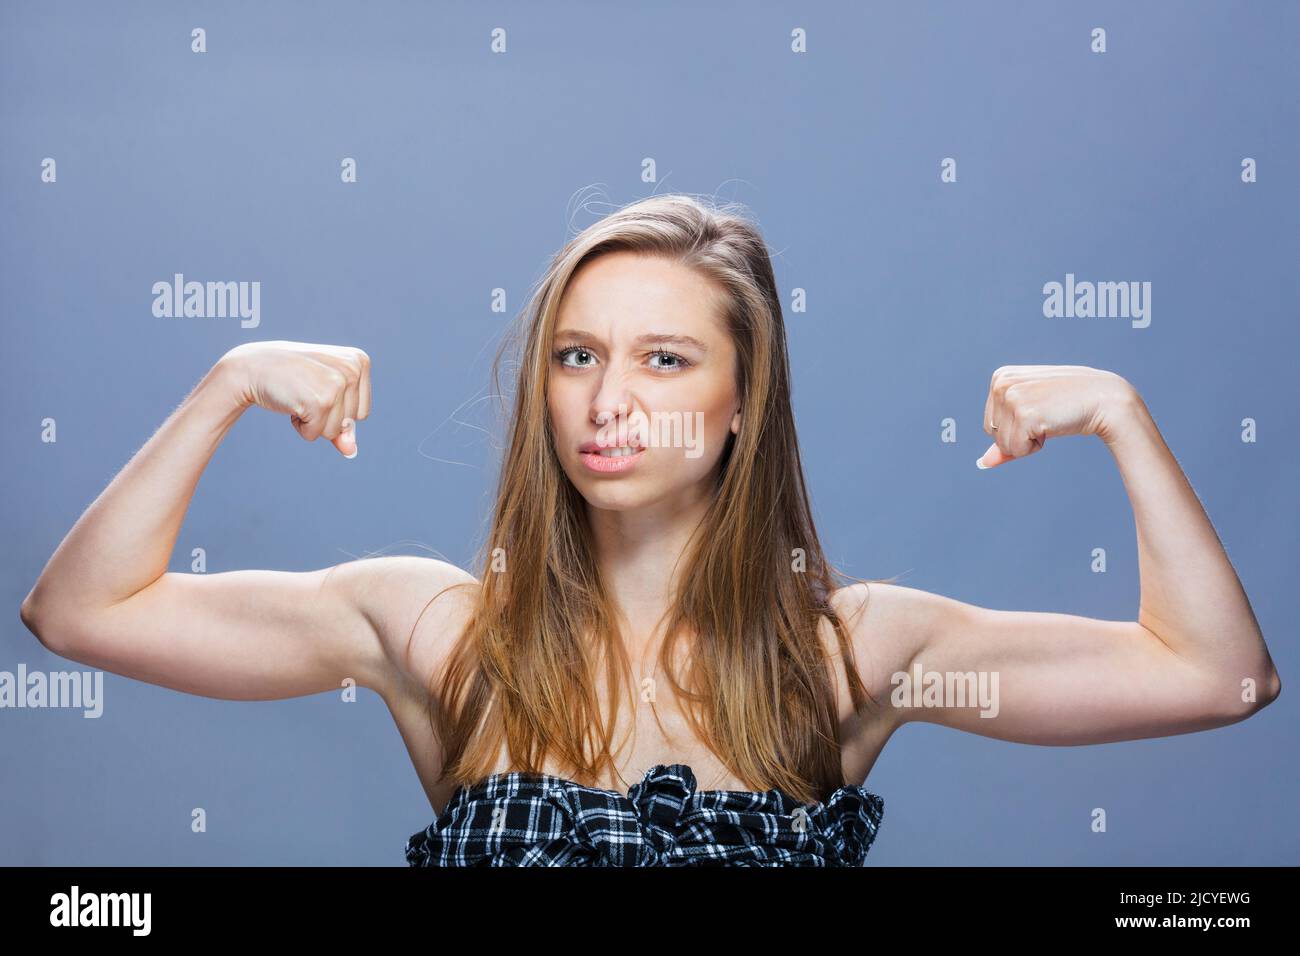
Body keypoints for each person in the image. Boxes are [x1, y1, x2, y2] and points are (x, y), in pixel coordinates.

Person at [20, 194, 1281, 866]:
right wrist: (229, 381)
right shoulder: (438, 630)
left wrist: (1121, 415)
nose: (607, 400)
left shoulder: (849, 652)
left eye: (664, 359)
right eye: (576, 355)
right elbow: (80, 610)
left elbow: (1217, 674)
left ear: (741, 404)